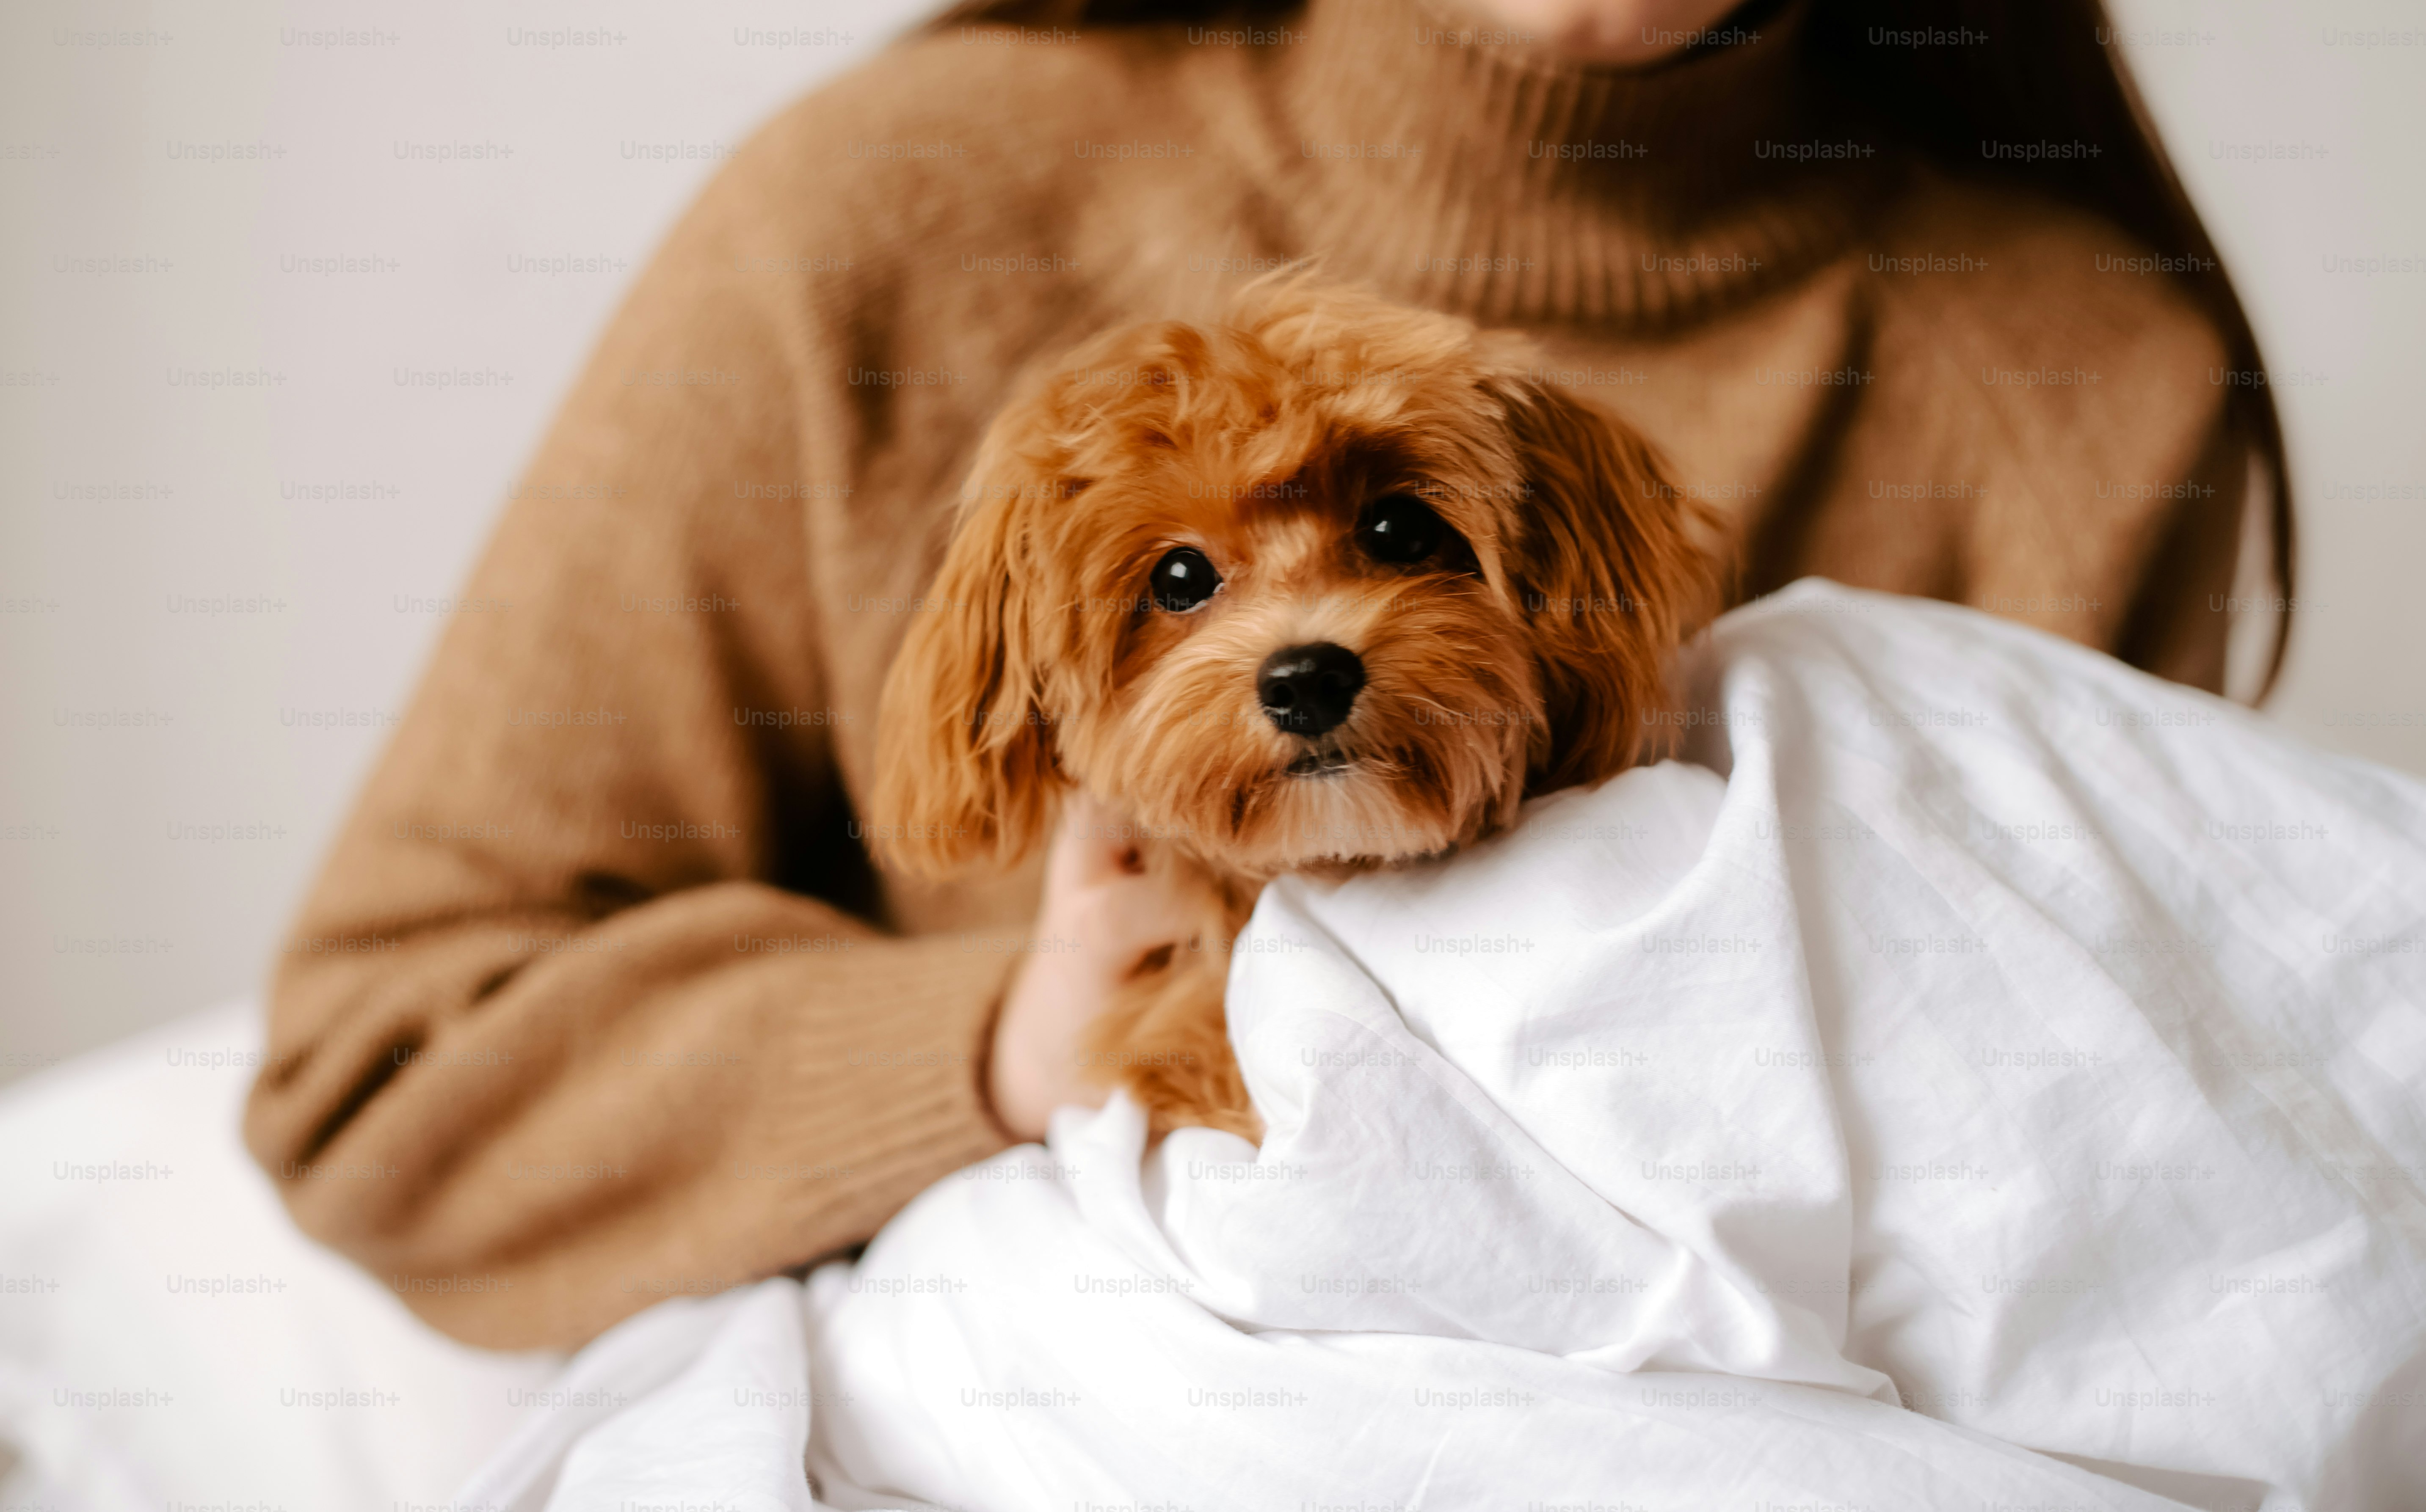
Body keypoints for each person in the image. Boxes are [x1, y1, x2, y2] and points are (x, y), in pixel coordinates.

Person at [246, 0, 2294, 1349]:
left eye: (1401, 534)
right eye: (1183, 581)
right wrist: (1008, 1055)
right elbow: (379, 1074)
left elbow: (2088, 1182)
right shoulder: (885, 214)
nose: (1304, 633)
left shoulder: (2097, 388)